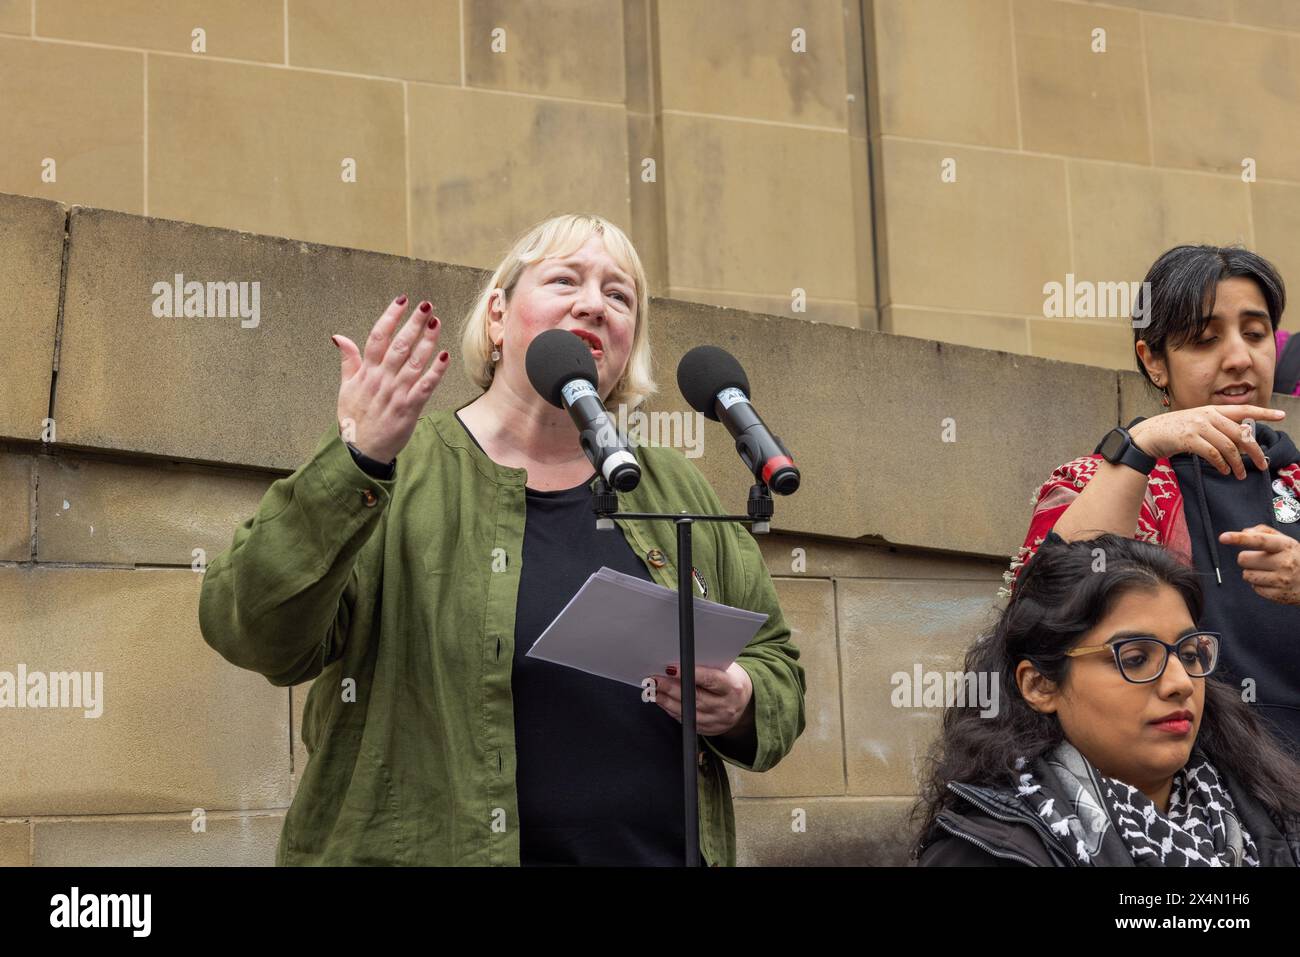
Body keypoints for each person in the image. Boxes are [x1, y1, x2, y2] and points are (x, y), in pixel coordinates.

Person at [198, 213, 806, 866]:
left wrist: (742, 698)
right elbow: (250, 626)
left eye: (619, 295)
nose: (593, 304)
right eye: (565, 279)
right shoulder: (399, 466)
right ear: (497, 315)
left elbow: (778, 667)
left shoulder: (673, 487)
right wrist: (357, 462)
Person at [1006, 245, 1300, 756]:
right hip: (1174, 796)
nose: (1238, 357)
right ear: (1153, 360)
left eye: (1255, 334)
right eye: (1205, 340)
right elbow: (1045, 619)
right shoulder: (1102, 479)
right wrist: (1140, 447)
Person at [916, 533, 1300, 866]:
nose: (1180, 683)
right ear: (1040, 685)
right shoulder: (989, 851)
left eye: (1188, 654)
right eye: (1135, 658)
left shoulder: (1274, 812)